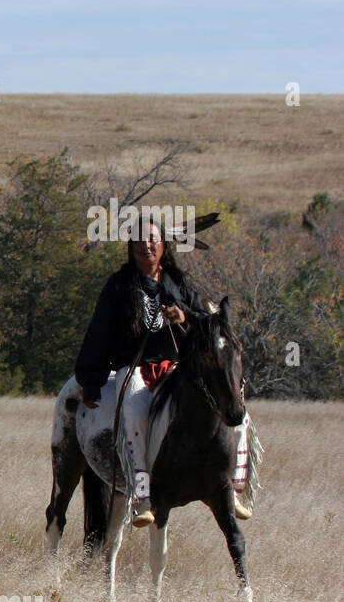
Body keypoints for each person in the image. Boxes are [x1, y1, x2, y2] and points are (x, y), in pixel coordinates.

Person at [75, 217, 252, 526]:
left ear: (163, 245)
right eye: (140, 240)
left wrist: (183, 315)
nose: (147, 245)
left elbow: (207, 320)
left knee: (237, 412)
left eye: (153, 239)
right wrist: (91, 383)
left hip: (176, 369)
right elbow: (98, 333)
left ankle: (234, 488)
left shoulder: (178, 282)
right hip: (134, 370)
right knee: (132, 410)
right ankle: (142, 495)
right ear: (131, 248)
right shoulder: (118, 286)